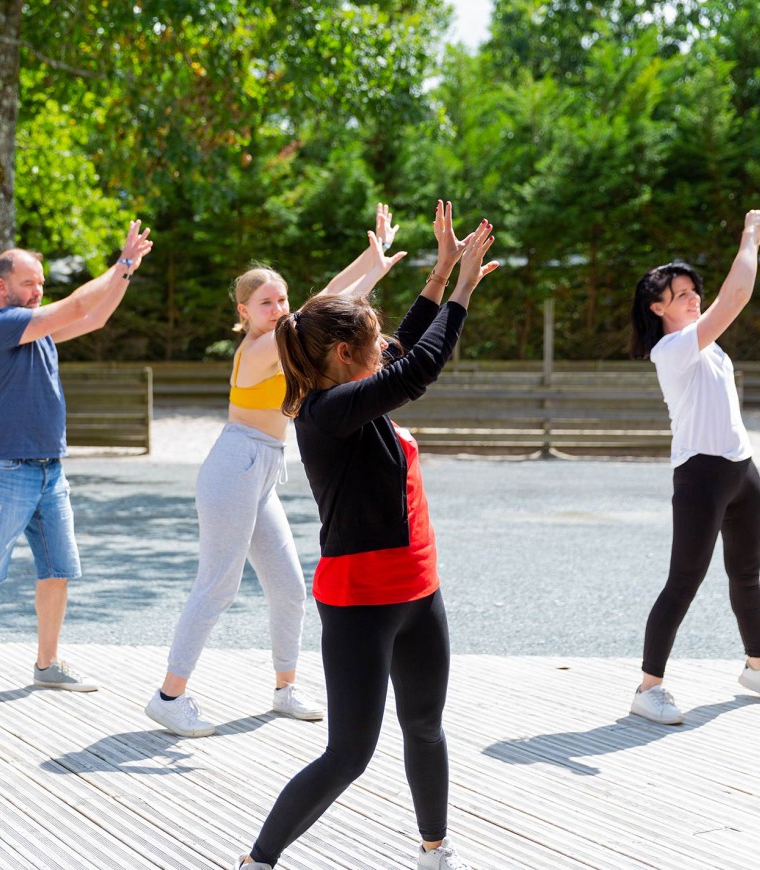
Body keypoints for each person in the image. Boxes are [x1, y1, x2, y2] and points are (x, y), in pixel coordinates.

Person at [232, 202, 497, 870]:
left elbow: (404, 350)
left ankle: (435, 851)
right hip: (360, 606)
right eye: (372, 344)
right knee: (349, 753)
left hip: (417, 592)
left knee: (425, 727)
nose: (386, 350)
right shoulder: (325, 412)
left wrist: (438, 273)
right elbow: (417, 370)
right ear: (345, 355)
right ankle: (258, 862)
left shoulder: (353, 386)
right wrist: (463, 290)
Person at [145, 205, 408, 738]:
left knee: (289, 587)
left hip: (260, 471)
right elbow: (324, 304)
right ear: (244, 312)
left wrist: (372, 262)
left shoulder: (284, 337)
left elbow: (322, 305)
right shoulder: (262, 347)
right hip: (236, 465)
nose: (279, 308)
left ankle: (285, 689)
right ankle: (169, 696)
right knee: (217, 586)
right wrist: (371, 265)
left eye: (282, 299)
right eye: (266, 302)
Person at [0, 220, 153, 701]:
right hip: (7, 469)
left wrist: (126, 274)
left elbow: (94, 318)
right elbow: (79, 303)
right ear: (2, 286)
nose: (38, 290)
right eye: (28, 283)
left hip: (49, 469)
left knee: (57, 570)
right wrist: (119, 263)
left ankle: (48, 665)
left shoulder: (38, 332)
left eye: (41, 282)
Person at [627, 207, 760, 725]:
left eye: (692, 290)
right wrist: (749, 233)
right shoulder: (673, 349)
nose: (693, 297)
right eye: (681, 294)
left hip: (742, 470)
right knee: (684, 580)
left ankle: (758, 668)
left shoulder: (708, 347)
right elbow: (738, 296)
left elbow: (724, 306)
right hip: (701, 476)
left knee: (746, 573)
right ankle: (648, 687)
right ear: (659, 307)